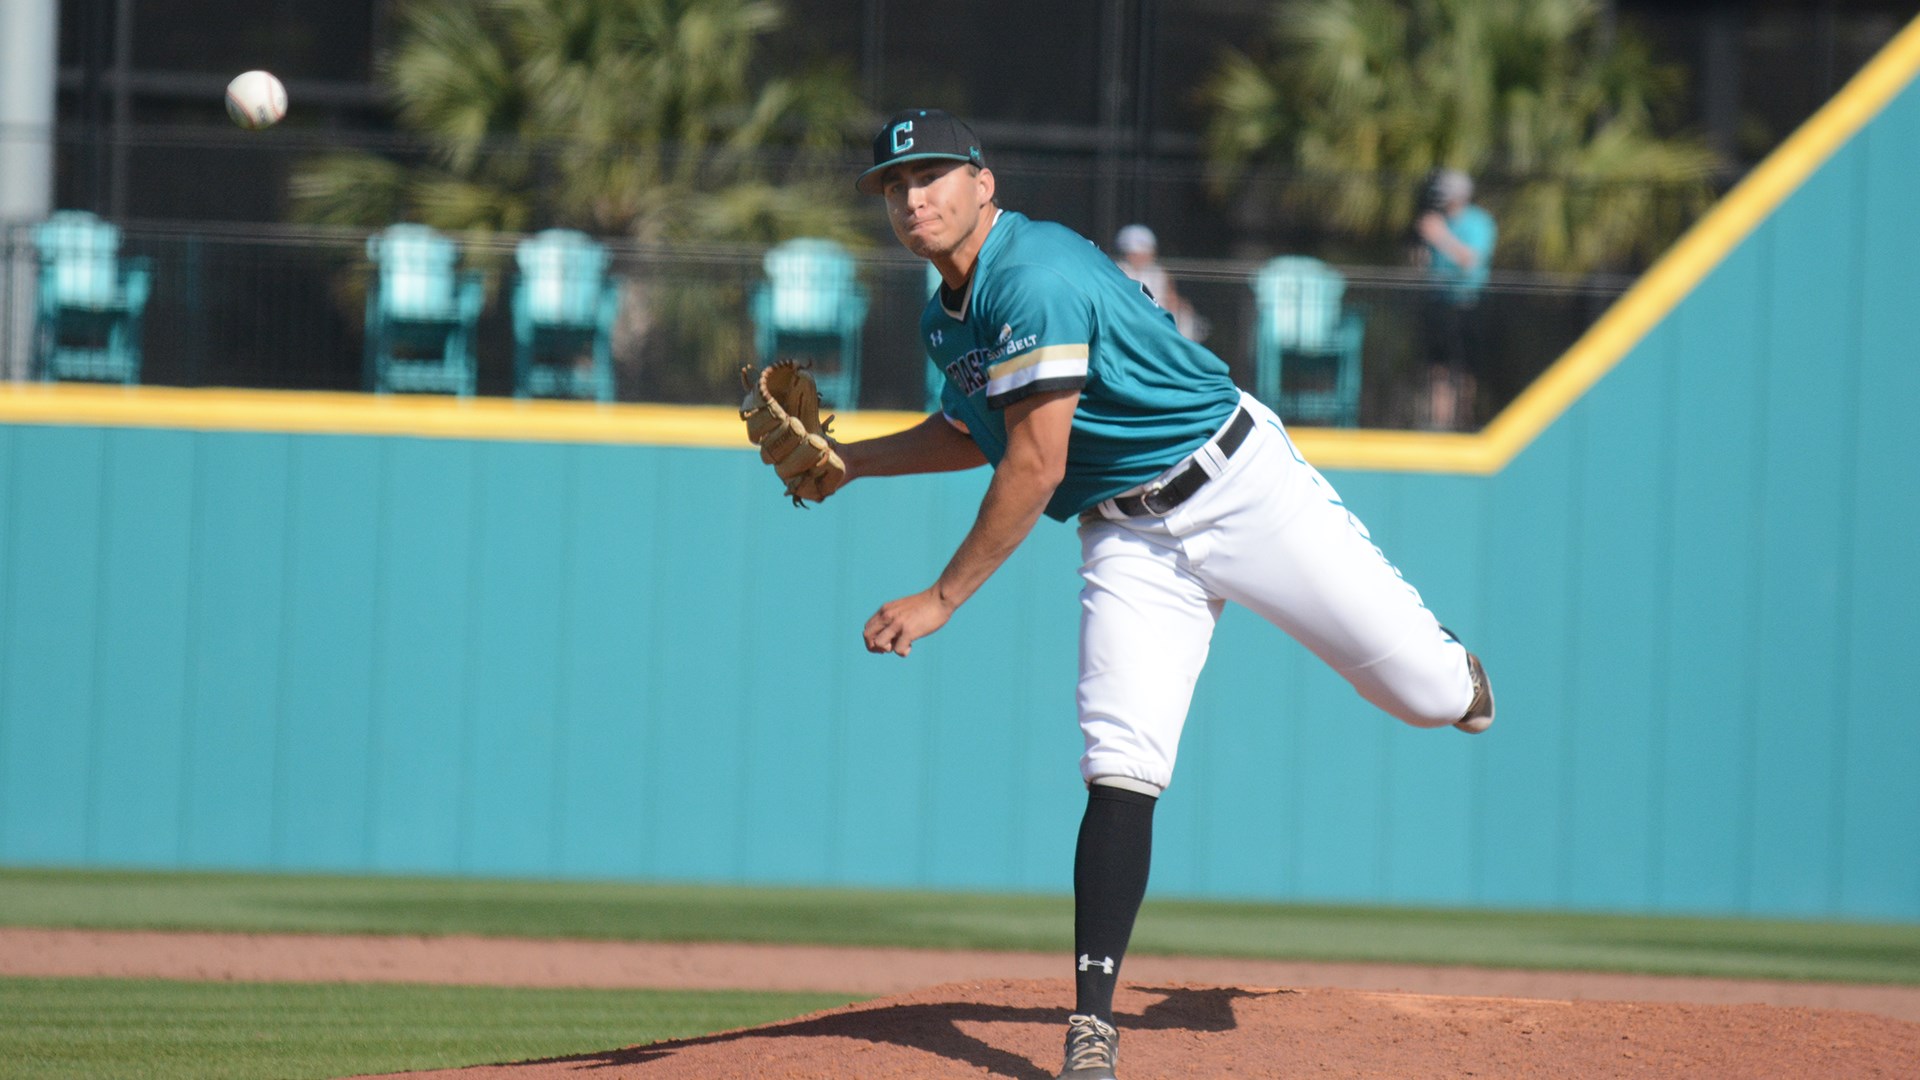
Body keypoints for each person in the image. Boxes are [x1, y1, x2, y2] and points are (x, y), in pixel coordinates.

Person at [834, 109, 1494, 1080]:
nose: (913, 197)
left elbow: (1034, 461)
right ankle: (1093, 1022)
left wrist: (941, 598)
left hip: (1238, 484)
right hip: (1130, 533)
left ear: (985, 181)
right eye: (895, 185)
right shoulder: (949, 313)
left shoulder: (1037, 273)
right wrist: (848, 463)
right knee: (1120, 757)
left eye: (933, 174)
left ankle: (1448, 660)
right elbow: (974, 430)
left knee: (1433, 699)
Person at [1413, 168, 1497, 431]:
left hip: (1467, 304)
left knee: (1463, 371)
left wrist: (1439, 237)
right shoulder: (1437, 221)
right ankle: (1440, 428)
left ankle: (1462, 425)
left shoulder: (1479, 222)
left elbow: (1470, 261)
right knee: (1437, 370)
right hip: (1438, 303)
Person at [1111, 224, 1205, 342]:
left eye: (1146, 251)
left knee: (1185, 318)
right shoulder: (1118, 270)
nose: (1142, 256)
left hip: (1157, 318)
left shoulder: (1158, 272)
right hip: (1129, 319)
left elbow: (1171, 299)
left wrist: (1180, 307)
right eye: (1137, 252)